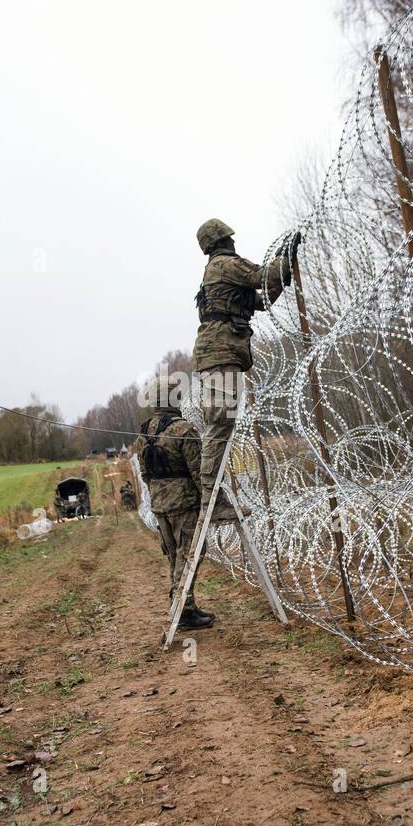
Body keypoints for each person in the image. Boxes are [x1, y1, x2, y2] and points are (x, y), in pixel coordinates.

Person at [191, 218, 297, 523]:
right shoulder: (224, 264)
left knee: (221, 425)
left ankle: (212, 498)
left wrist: (281, 272)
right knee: (219, 426)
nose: (234, 242)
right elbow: (262, 276)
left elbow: (261, 299)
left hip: (220, 353)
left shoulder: (219, 273)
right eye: (230, 238)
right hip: (220, 353)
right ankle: (211, 500)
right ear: (222, 240)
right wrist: (285, 258)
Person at [132, 377, 214, 630]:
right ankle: (182, 609)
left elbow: (144, 473)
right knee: (189, 555)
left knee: (174, 557)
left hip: (159, 503)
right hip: (184, 502)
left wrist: (157, 494)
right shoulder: (183, 429)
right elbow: (198, 471)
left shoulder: (144, 431)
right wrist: (208, 501)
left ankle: (185, 606)